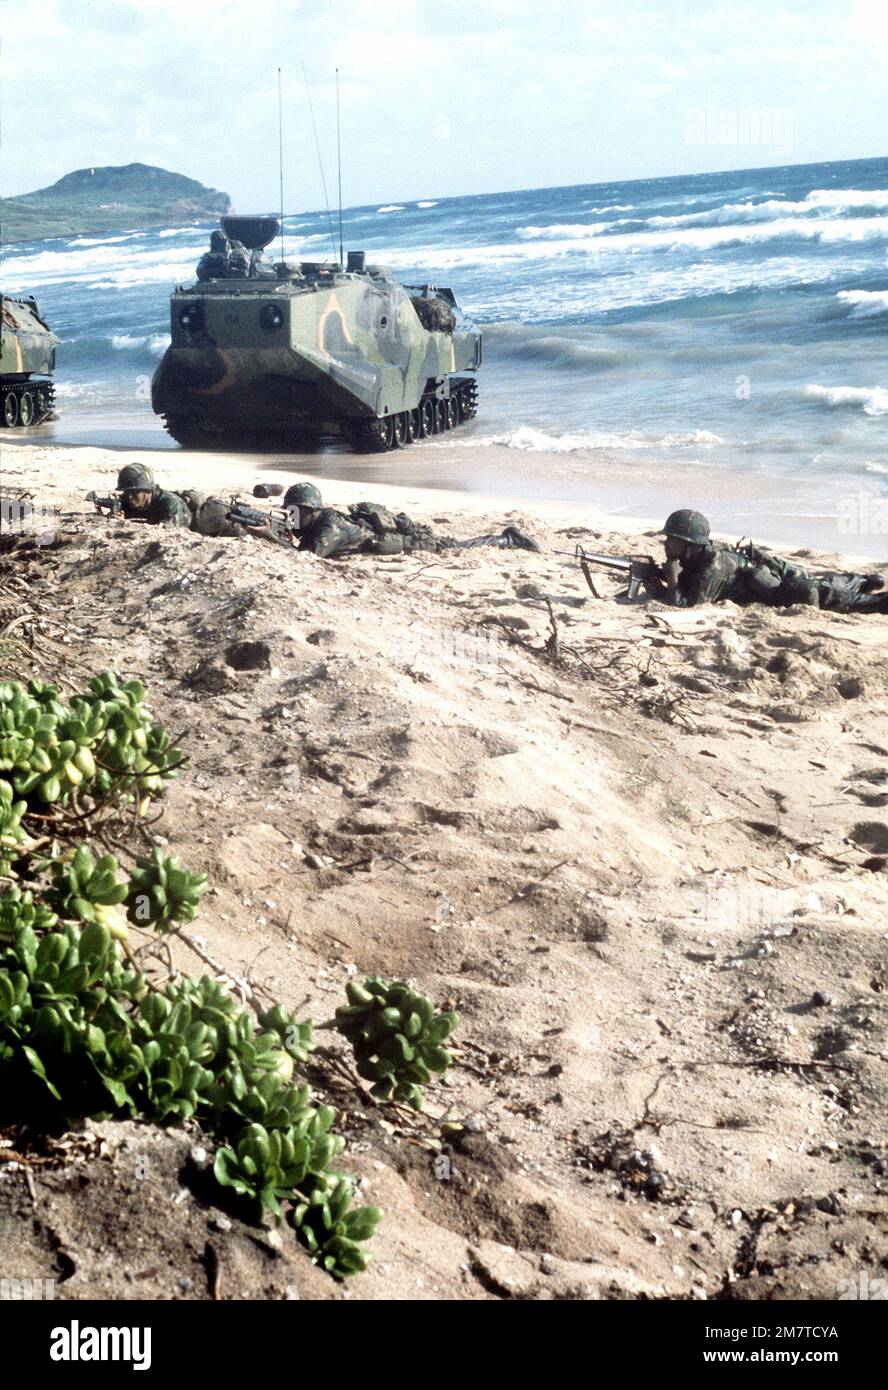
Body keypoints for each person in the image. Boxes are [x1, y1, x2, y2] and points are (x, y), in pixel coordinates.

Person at [644, 510, 888, 614]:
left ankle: (873, 595)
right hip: (778, 578)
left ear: (689, 544)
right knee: (823, 584)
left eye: (671, 539)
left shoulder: (712, 568)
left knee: (829, 595)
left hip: (789, 592)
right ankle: (862, 580)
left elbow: (685, 606)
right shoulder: (699, 555)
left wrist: (672, 581)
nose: (666, 544)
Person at [280, 482, 540, 558]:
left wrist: (268, 535)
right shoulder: (318, 523)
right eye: (290, 512)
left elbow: (307, 556)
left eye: (297, 512)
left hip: (402, 540)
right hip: (380, 535)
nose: (293, 517)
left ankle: (505, 538)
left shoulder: (329, 526)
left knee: (450, 546)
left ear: (312, 510)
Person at [110, 466, 243, 536]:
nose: (130, 497)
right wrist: (118, 513)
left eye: (134, 492)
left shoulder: (170, 503)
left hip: (216, 520)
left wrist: (127, 524)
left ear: (148, 490)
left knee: (253, 527)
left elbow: (166, 531)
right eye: (126, 492)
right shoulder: (133, 501)